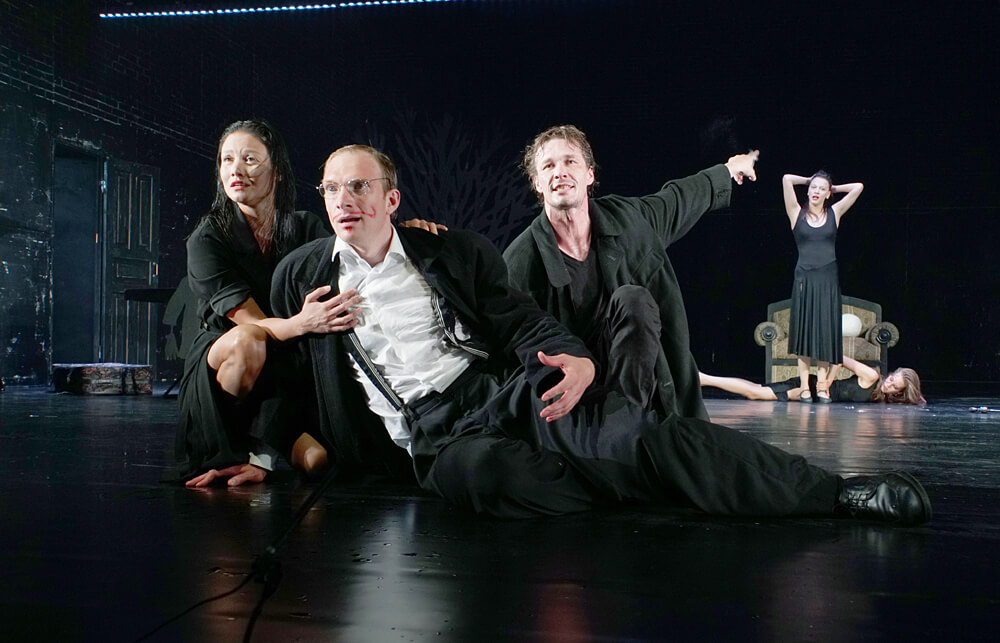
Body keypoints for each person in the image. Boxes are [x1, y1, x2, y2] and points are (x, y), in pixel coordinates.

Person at [269, 143, 931, 526]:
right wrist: (272, 447)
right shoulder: (303, 276)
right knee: (488, 475)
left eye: (359, 186)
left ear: (391, 199)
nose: (344, 199)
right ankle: (640, 465)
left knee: (642, 429)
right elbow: (286, 370)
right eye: (332, 189)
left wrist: (577, 361)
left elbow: (516, 317)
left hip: (511, 389)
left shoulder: (447, 251)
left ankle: (834, 493)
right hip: (438, 434)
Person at [503, 125, 758, 422]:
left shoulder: (630, 220)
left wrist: (727, 170)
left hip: (643, 397)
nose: (559, 172)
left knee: (633, 299)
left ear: (589, 174)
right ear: (537, 183)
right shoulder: (520, 261)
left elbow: (679, 199)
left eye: (570, 161)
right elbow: (505, 340)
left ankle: (626, 423)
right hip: (573, 404)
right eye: (548, 166)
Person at [176, 119, 340, 488]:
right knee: (251, 339)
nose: (235, 170)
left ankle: (262, 453)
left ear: (277, 171)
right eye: (227, 160)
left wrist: (401, 234)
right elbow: (251, 322)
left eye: (249, 159)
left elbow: (351, 258)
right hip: (230, 358)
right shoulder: (208, 237)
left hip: (285, 367)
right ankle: (236, 451)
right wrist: (303, 323)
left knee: (318, 462)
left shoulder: (304, 227)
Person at [782, 171, 865, 402]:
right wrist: (809, 181)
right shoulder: (796, 213)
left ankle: (821, 385)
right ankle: (804, 386)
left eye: (821, 189)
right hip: (804, 279)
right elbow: (787, 179)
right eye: (813, 188)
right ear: (808, 190)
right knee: (804, 332)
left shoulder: (834, 213)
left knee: (824, 332)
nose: (816, 192)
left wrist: (833, 187)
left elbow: (858, 186)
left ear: (827, 194)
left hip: (828, 280)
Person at [699, 356, 926, 405]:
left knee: (757, 390)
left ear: (898, 393)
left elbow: (915, 399)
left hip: (817, 396)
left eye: (894, 386)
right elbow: (838, 357)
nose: (889, 383)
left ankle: (704, 379)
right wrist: (828, 381)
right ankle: (704, 378)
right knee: (756, 393)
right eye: (892, 378)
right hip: (813, 388)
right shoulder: (872, 377)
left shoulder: (881, 398)